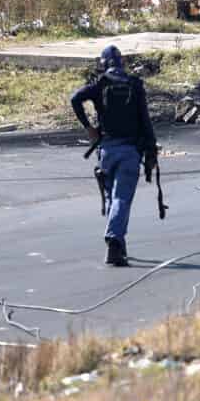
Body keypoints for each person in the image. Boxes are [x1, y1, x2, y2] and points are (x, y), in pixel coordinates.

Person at [70, 45, 158, 268]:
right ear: (121, 63)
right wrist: (151, 151)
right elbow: (145, 122)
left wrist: (88, 127)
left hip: (107, 152)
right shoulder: (134, 85)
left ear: (103, 63)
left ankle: (118, 245)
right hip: (130, 152)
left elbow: (75, 99)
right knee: (121, 199)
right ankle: (114, 242)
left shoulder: (100, 85)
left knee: (112, 198)